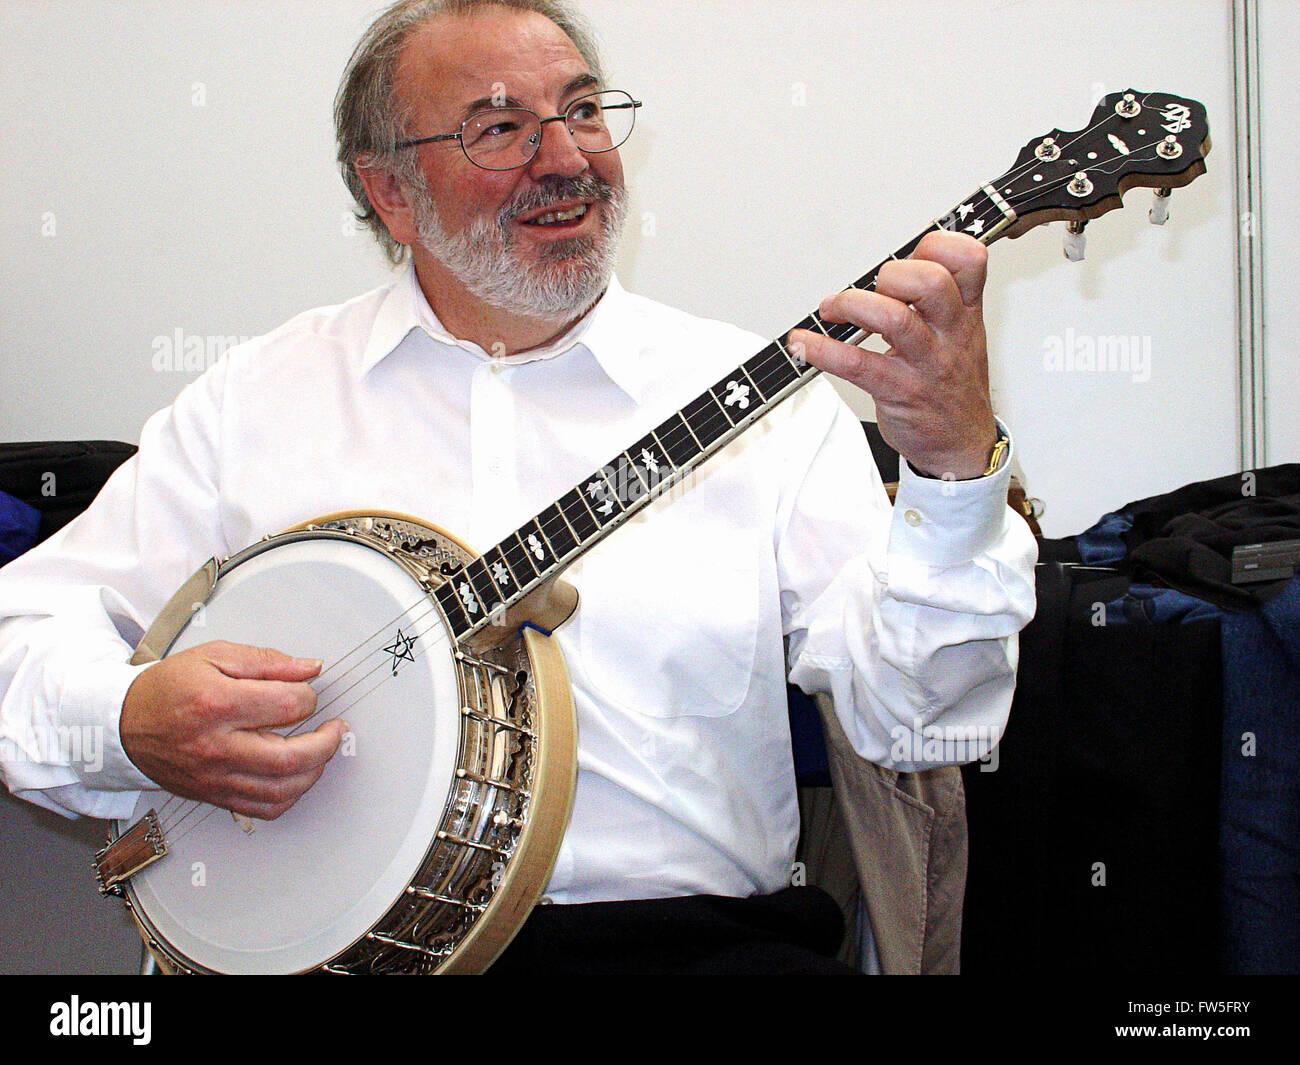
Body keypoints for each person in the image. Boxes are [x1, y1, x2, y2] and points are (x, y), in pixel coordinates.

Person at [0, 0, 1036, 973]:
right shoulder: (257, 402)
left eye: (583, 111)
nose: (568, 156)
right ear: (390, 192)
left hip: (689, 953)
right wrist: (131, 716)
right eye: (499, 128)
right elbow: (20, 639)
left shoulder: (771, 409)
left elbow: (924, 727)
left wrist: (949, 470)